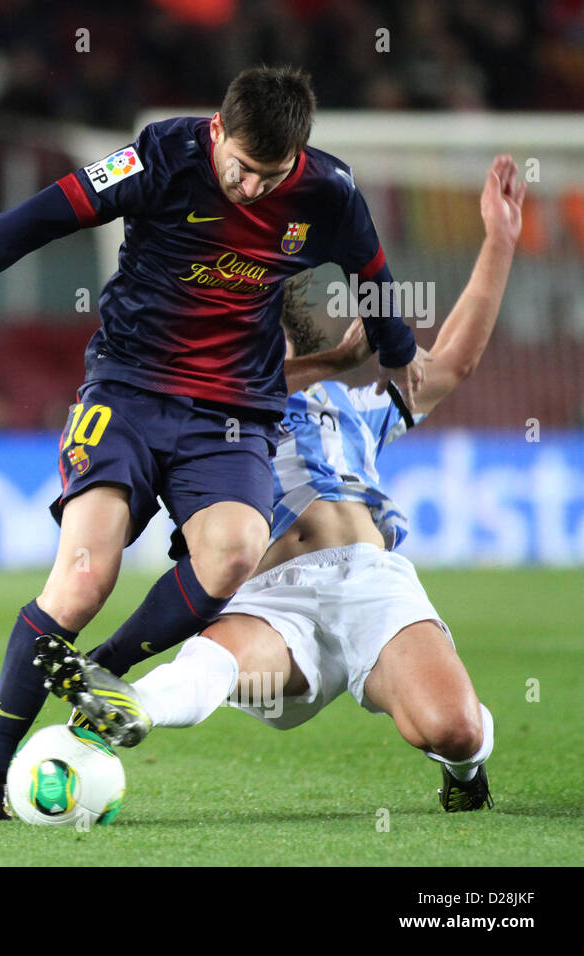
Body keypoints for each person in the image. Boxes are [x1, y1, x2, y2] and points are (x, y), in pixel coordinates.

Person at [0, 65, 426, 821]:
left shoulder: (330, 192)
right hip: (126, 390)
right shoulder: (158, 156)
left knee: (231, 553)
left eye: (272, 174)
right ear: (218, 131)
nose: (254, 188)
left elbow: (374, 272)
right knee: (86, 578)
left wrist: (397, 349)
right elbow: (42, 216)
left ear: (300, 155)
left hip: (232, 412)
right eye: (243, 169)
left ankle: (103, 669)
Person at [38, 155, 525, 812]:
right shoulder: (199, 412)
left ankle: (466, 773)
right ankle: (126, 707)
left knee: (453, 729)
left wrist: (499, 242)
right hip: (266, 599)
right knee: (208, 666)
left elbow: (454, 365)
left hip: (368, 585)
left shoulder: (348, 403)